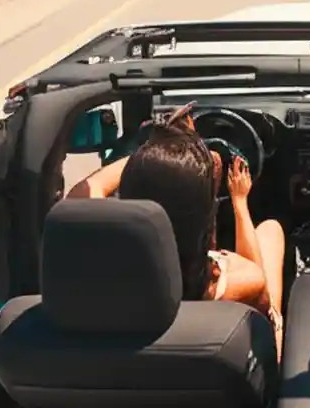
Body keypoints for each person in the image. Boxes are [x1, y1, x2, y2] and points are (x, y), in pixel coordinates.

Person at [67, 108, 286, 355]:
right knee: (270, 230)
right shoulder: (232, 283)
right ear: (206, 216)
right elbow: (258, 278)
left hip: (131, 378)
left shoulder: (100, 268)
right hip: (227, 374)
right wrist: (239, 201)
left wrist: (155, 156)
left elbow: (88, 189)